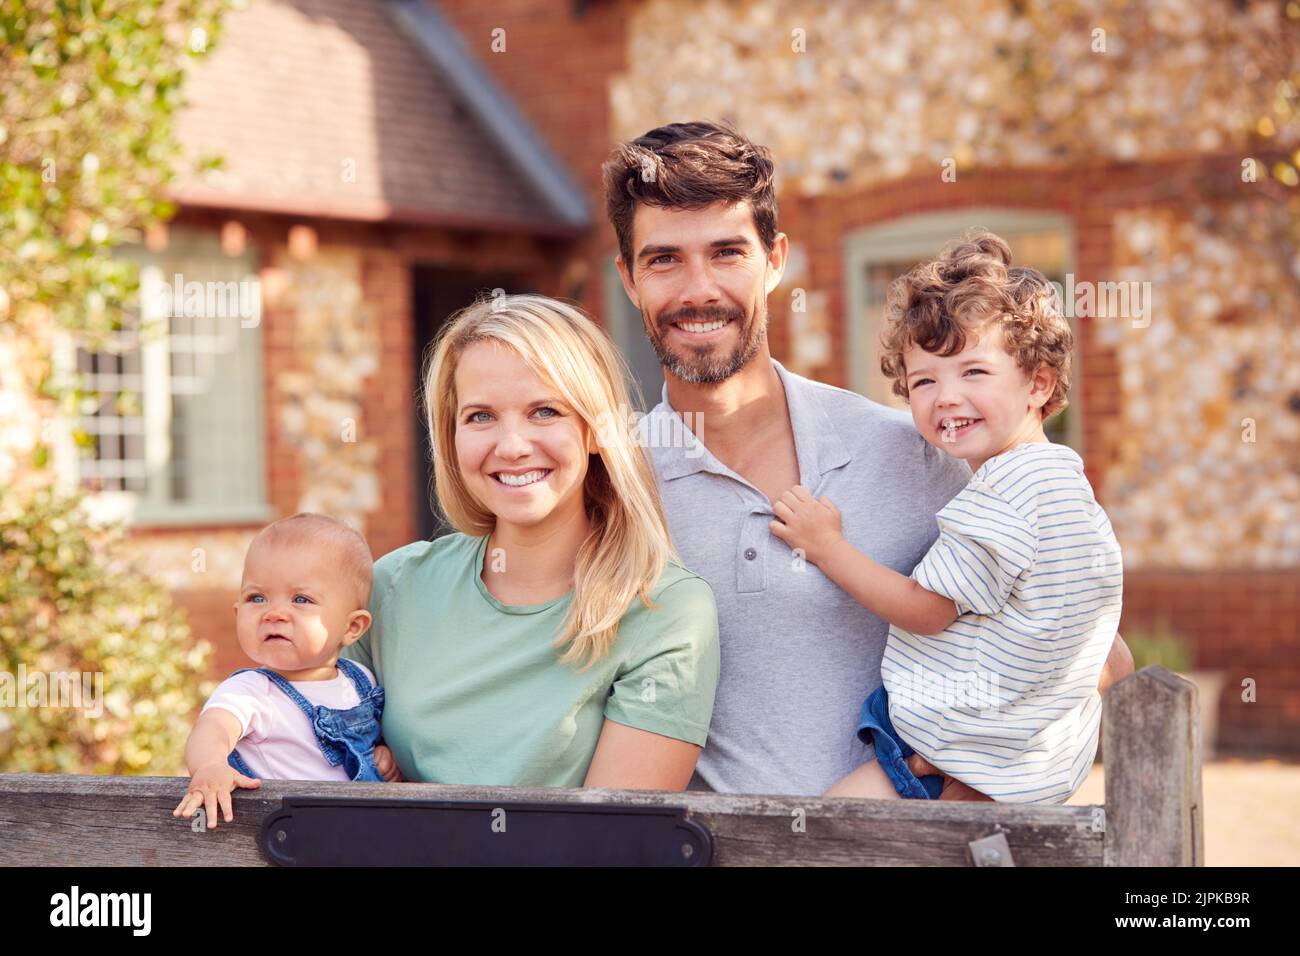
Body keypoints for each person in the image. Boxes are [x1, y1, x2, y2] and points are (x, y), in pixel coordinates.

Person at [602, 120, 1133, 798]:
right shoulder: (609, 484)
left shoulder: (914, 454)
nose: (698, 288)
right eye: (664, 259)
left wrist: (983, 769)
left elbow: (1087, 643)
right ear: (628, 278)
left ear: (776, 260)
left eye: (727, 252)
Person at [772, 232, 1122, 804]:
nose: (945, 396)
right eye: (924, 380)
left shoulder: (1003, 493)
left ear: (1038, 382)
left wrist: (827, 546)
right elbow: (1114, 652)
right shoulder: (1066, 484)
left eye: (973, 373)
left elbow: (925, 610)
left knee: (826, 829)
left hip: (949, 759)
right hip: (1014, 770)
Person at [347, 293, 719, 790]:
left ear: (594, 430)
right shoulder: (393, 587)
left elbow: (615, 840)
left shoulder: (664, 612)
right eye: (480, 416)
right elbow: (299, 741)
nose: (513, 446)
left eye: (544, 412)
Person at [172, 512, 384, 829]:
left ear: (352, 627)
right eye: (256, 597)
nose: (274, 613)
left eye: (301, 599)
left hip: (364, 836)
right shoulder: (252, 692)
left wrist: (381, 759)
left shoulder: (361, 681)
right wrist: (210, 765)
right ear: (237, 612)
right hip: (291, 841)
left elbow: (363, 752)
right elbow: (214, 728)